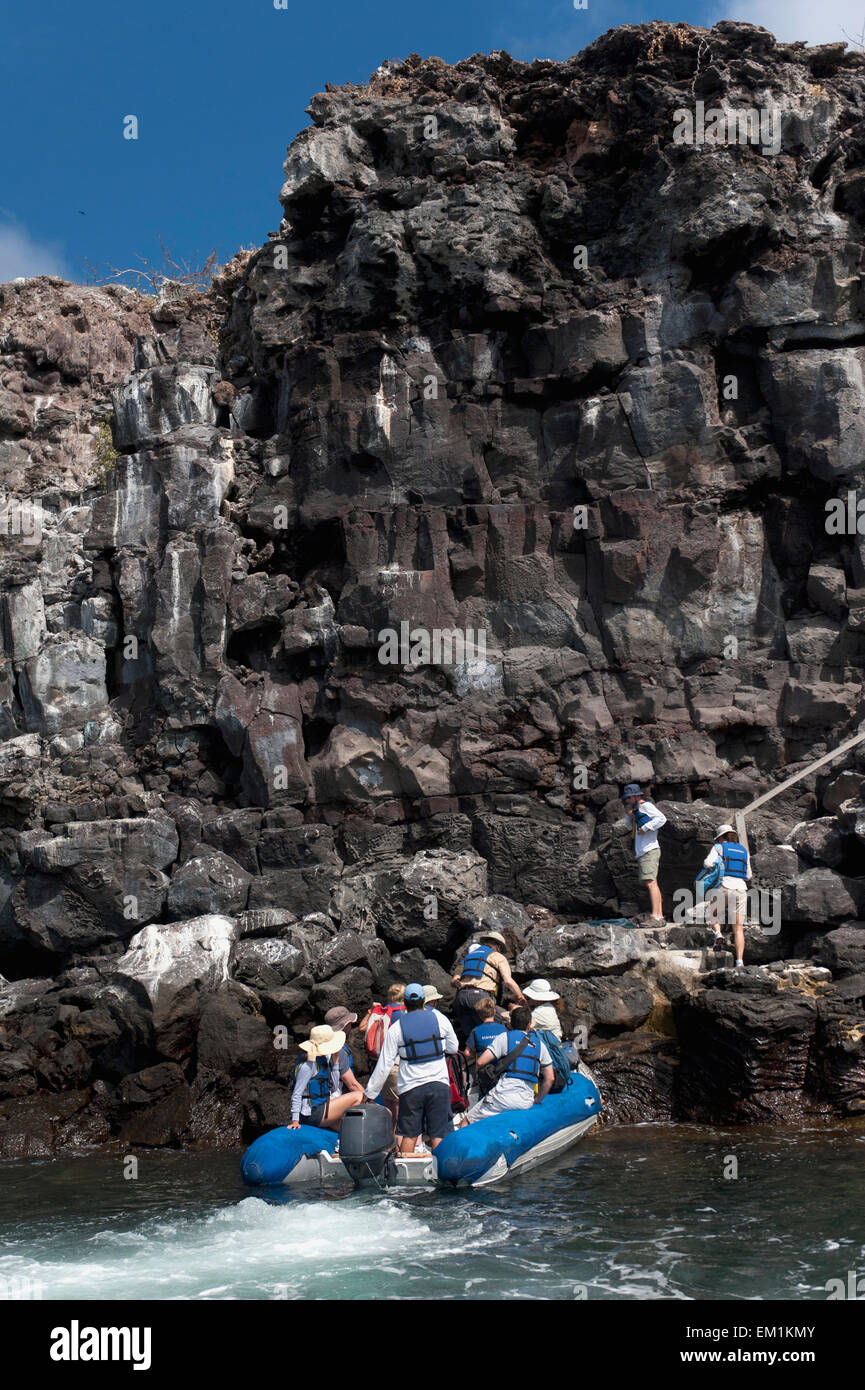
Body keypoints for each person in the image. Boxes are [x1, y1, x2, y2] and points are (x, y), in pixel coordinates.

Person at [363, 982, 458, 1155]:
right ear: (423, 1001)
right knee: (438, 1135)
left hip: (411, 1089)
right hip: (439, 1085)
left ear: (404, 1004)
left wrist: (370, 1094)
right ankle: (439, 1174)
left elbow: (384, 1065)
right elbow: (453, 1047)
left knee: (409, 1135)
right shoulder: (440, 1018)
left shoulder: (396, 1028)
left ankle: (406, 1175)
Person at [463, 1004, 554, 1123]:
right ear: (528, 1025)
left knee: (466, 1120)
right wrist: (537, 1099)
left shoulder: (504, 1037)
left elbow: (480, 1062)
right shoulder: (540, 1045)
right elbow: (550, 1078)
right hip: (525, 1101)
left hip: (501, 1098)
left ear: (511, 1024)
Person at [450, 929, 525, 1044]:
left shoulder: (470, 956)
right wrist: (520, 996)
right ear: (499, 947)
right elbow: (508, 981)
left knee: (473, 1037)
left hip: (460, 999)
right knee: (508, 1024)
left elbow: (454, 979)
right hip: (480, 998)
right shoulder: (497, 956)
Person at [288, 1024, 363, 1132]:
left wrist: (336, 1062)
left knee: (345, 1129)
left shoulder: (323, 1059)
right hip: (312, 1113)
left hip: (322, 1106)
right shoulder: (308, 1065)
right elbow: (297, 1093)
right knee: (358, 1096)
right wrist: (295, 1120)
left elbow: (333, 1087)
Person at [703, 823, 751, 968]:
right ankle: (740, 962)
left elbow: (707, 863)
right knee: (738, 928)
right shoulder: (744, 851)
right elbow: (748, 875)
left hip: (724, 886)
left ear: (721, 838)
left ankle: (718, 934)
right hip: (741, 889)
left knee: (713, 912)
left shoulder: (719, 848)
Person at [358, 984, 405, 1127]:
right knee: (401, 1110)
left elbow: (361, 1029)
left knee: (389, 1108)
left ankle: (388, 1141)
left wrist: (370, 1011)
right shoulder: (404, 1013)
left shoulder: (382, 1013)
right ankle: (398, 1143)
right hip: (397, 1065)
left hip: (380, 1066)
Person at [622, 782, 667, 925]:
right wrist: (630, 816)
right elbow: (629, 826)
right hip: (643, 850)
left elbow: (661, 818)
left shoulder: (646, 806)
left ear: (636, 796)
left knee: (651, 883)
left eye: (629, 798)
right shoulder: (636, 810)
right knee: (652, 882)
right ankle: (659, 914)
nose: (627, 801)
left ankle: (656, 916)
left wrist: (646, 827)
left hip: (649, 849)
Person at [463, 995, 507, 1096]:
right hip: (502, 1068)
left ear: (479, 1015)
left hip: (485, 1071)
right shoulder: (503, 1028)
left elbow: (467, 1053)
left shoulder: (476, 1030)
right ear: (495, 1012)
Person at [324, 1006, 363, 1093]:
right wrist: (371, 1103)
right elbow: (353, 1085)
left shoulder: (322, 1045)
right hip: (336, 1097)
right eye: (350, 1023)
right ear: (344, 1025)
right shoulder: (338, 1050)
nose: (351, 1025)